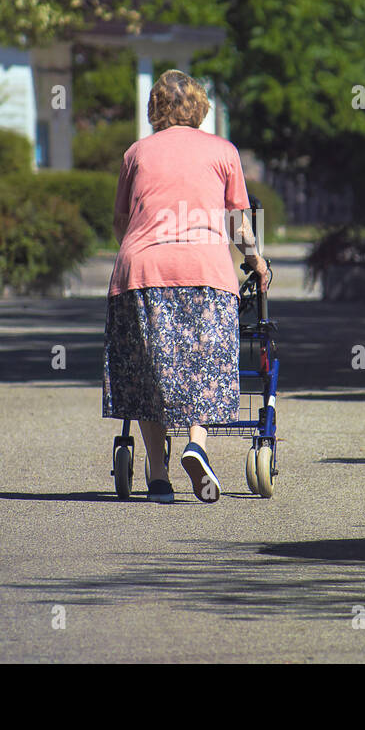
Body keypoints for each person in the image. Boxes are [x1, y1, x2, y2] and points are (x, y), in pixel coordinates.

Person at [103, 70, 270, 503]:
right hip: (206, 269)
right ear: (200, 109)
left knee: (149, 371)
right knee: (207, 362)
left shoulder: (135, 153)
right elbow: (237, 221)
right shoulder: (222, 151)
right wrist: (256, 262)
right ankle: (196, 444)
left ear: (154, 109)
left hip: (142, 269)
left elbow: (121, 222)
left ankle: (158, 475)